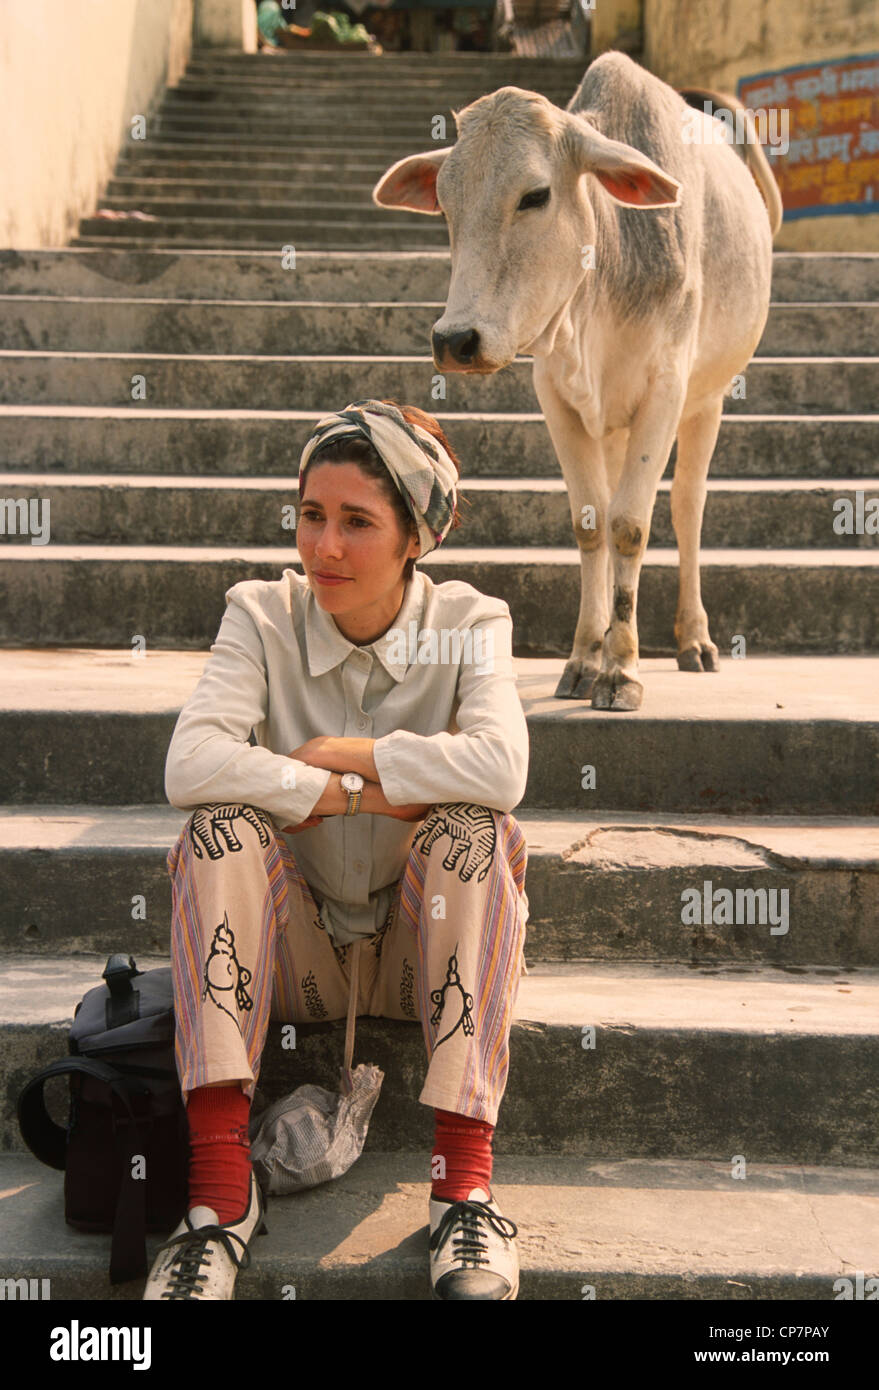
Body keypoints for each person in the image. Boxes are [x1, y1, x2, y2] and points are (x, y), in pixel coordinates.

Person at [143, 398, 531, 1301]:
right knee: (219, 824)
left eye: (358, 522)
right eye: (311, 515)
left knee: (476, 831)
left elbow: (503, 767)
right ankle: (215, 1199)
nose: (324, 547)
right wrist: (332, 794)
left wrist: (342, 757)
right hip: (291, 956)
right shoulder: (261, 613)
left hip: (413, 956)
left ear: (416, 539)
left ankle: (463, 1191)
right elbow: (190, 761)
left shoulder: (471, 622)